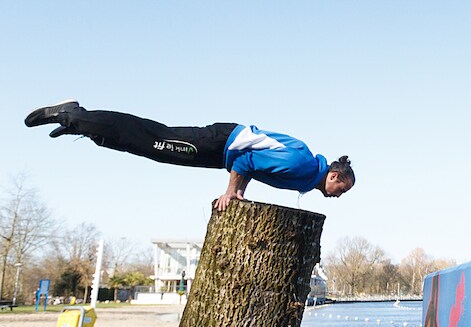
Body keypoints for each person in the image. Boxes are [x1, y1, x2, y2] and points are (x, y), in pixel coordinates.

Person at [24, 101, 355, 210]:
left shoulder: (306, 172)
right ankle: (74, 115)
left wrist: (239, 190)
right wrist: (231, 191)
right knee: (155, 138)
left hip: (220, 153)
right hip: (220, 144)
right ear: (334, 176)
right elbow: (246, 161)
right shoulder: (302, 165)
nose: (339, 196)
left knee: (153, 148)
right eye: (343, 189)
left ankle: (87, 129)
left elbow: (253, 164)